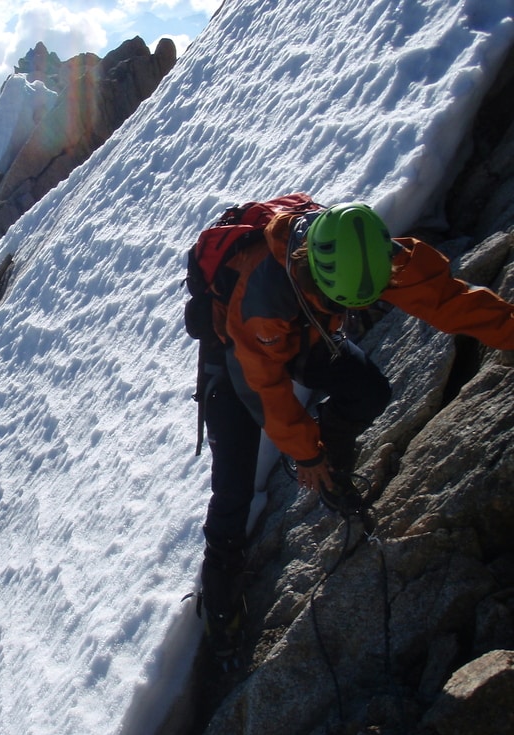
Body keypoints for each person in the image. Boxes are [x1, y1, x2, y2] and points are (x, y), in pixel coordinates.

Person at [196, 200, 514, 659]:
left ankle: (334, 469)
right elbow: (262, 384)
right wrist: (304, 453)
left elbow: (446, 299)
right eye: (341, 302)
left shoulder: (363, 255)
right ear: (312, 277)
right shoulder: (263, 298)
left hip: (307, 332)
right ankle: (222, 615)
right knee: (233, 488)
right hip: (233, 362)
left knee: (368, 391)